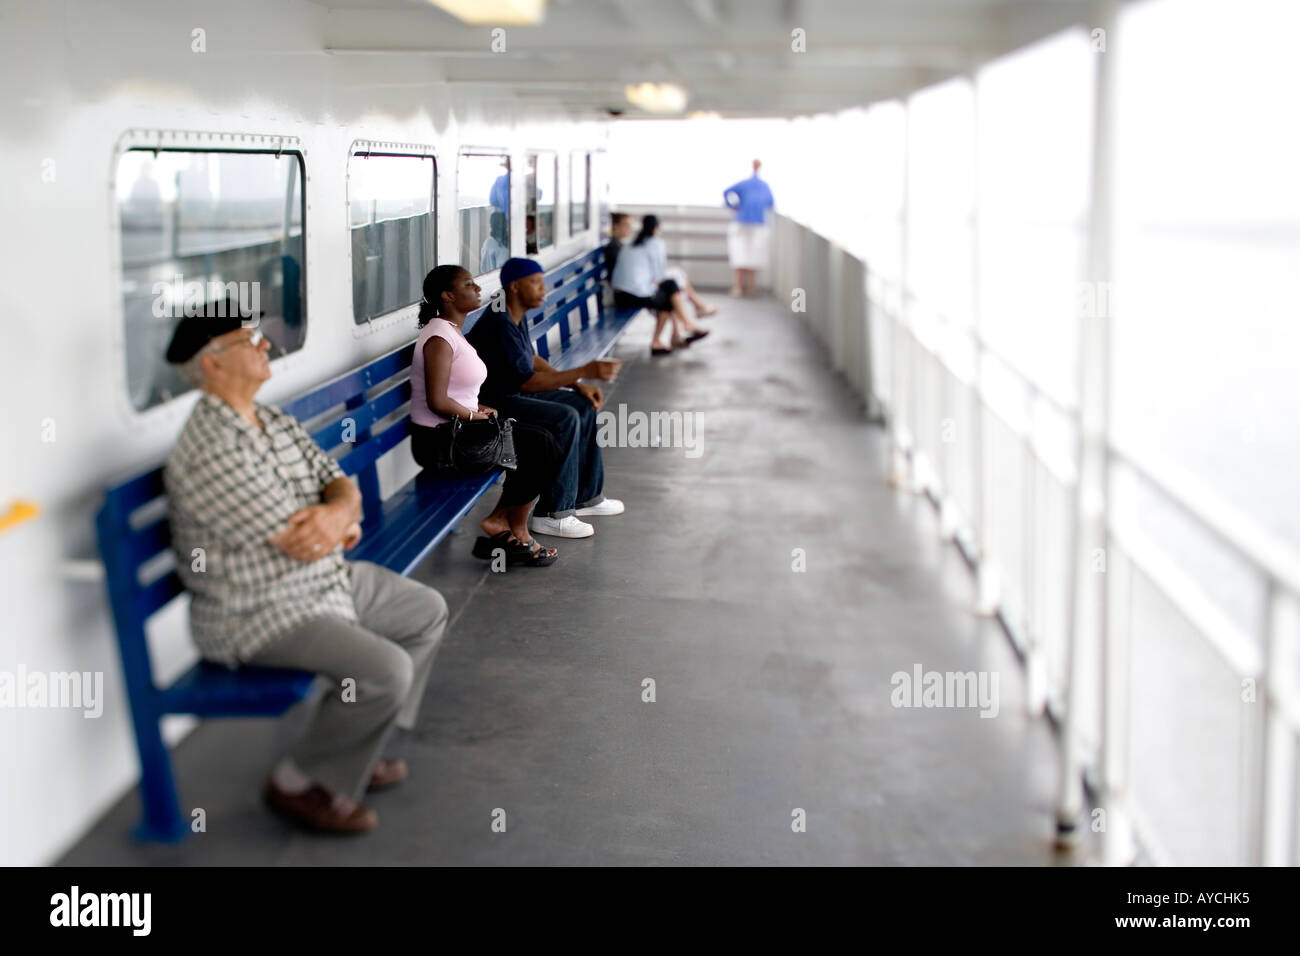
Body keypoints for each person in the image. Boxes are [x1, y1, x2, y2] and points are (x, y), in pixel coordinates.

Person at [163, 301, 449, 835]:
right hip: (258, 610)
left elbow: (333, 478)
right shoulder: (209, 447)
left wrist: (340, 510)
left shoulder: (268, 419)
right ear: (213, 363)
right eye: (250, 338)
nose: (265, 342)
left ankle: (358, 750)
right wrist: (338, 519)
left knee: (425, 611)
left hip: (322, 582)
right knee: (385, 670)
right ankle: (300, 780)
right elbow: (304, 540)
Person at [409, 265, 562, 567]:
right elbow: (438, 401)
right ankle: (508, 527)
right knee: (540, 445)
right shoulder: (439, 337)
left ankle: (505, 525)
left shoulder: (452, 331)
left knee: (541, 442)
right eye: (469, 284)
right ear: (448, 295)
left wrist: (476, 409)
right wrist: (472, 416)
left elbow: (453, 390)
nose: (478, 288)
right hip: (441, 443)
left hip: (458, 432)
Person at [467, 257, 623, 539]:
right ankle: (553, 513)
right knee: (564, 417)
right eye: (535, 282)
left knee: (581, 404)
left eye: (543, 282)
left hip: (513, 395)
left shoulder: (515, 314)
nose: (543, 289)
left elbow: (532, 359)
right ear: (515, 286)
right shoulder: (499, 323)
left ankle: (586, 498)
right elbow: (528, 383)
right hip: (494, 405)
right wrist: (586, 370)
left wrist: (578, 385)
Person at [610, 214, 710, 355]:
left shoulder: (630, 243)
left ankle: (681, 329)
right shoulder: (655, 243)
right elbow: (659, 276)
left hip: (621, 294)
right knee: (670, 293)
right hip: (632, 295)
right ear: (656, 228)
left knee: (670, 287)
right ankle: (665, 336)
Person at [605, 212, 716, 319]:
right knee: (673, 286)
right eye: (626, 225)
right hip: (628, 292)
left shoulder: (625, 245)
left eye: (631, 225)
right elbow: (626, 275)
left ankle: (693, 312)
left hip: (634, 286)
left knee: (675, 279)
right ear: (615, 226)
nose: (629, 228)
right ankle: (696, 308)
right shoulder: (616, 248)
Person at [723, 158, 775, 297]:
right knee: (753, 255)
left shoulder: (745, 184)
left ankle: (738, 287)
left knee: (740, 254)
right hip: (758, 223)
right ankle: (750, 288)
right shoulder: (764, 186)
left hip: (742, 221)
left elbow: (727, 192)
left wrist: (734, 206)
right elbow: (770, 203)